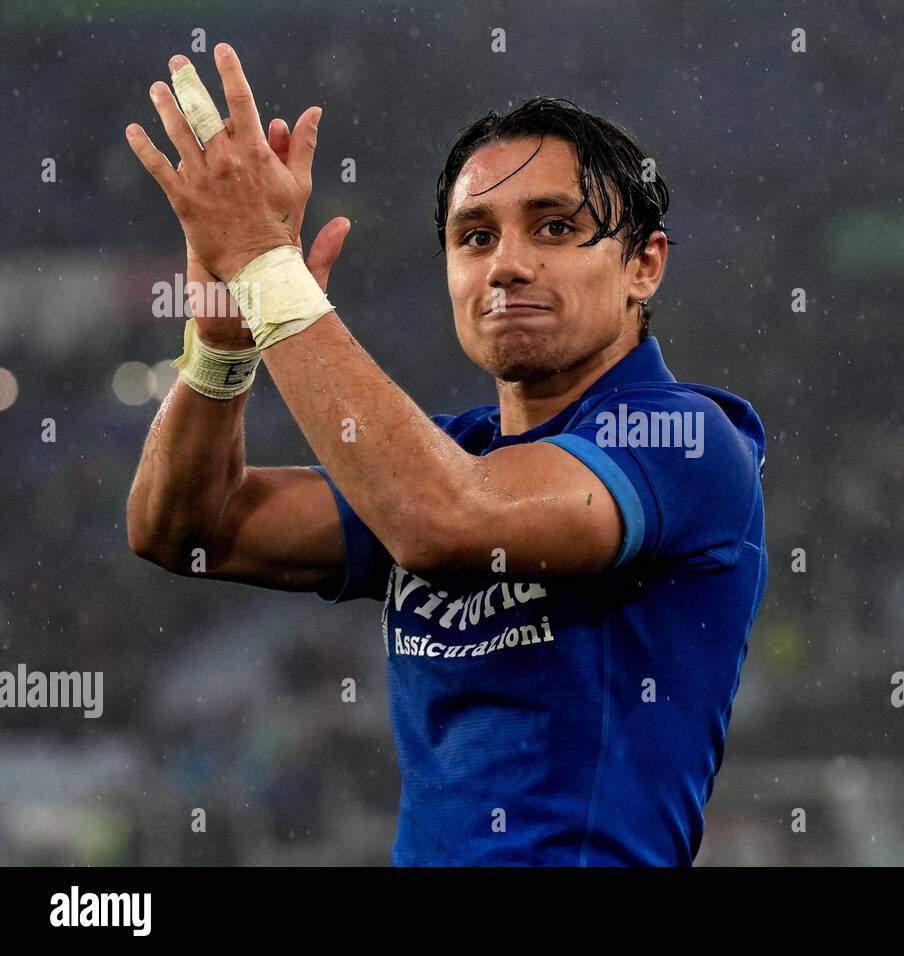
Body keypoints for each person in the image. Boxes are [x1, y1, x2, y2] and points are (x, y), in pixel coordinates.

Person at [126, 44, 767, 865]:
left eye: (557, 226)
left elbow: (445, 520)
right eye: (474, 237)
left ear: (644, 264)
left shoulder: (686, 439)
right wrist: (222, 344)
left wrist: (263, 263)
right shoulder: (447, 456)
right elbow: (186, 529)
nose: (505, 264)